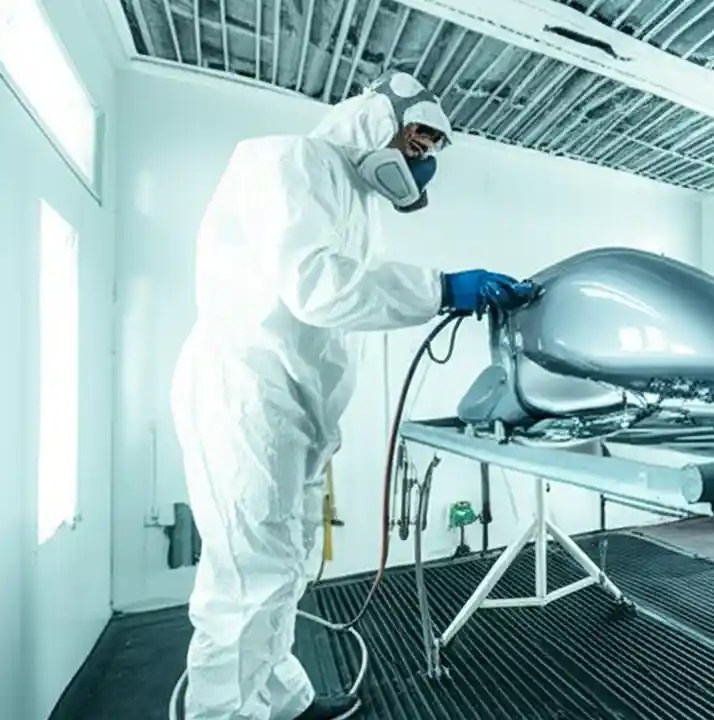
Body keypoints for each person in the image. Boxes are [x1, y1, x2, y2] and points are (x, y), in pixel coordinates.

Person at [170, 72, 535, 720]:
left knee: (285, 564)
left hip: (294, 407)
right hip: (248, 394)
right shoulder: (288, 160)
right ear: (374, 119)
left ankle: (279, 699)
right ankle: (221, 713)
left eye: (429, 155)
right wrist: (442, 288)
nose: (420, 163)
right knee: (248, 578)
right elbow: (317, 286)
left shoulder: (355, 203)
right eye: (417, 141)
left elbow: (339, 307)